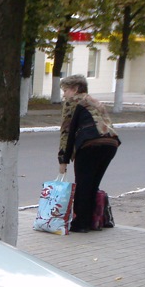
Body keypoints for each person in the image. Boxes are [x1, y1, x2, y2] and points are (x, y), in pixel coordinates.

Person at [57, 74, 120, 233]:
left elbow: (67, 131)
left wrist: (63, 159)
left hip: (90, 144)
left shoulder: (74, 101)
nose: (64, 94)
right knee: (92, 184)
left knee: (83, 184)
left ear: (75, 89)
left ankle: (80, 224)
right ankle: (93, 221)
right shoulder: (94, 101)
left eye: (65, 90)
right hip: (110, 144)